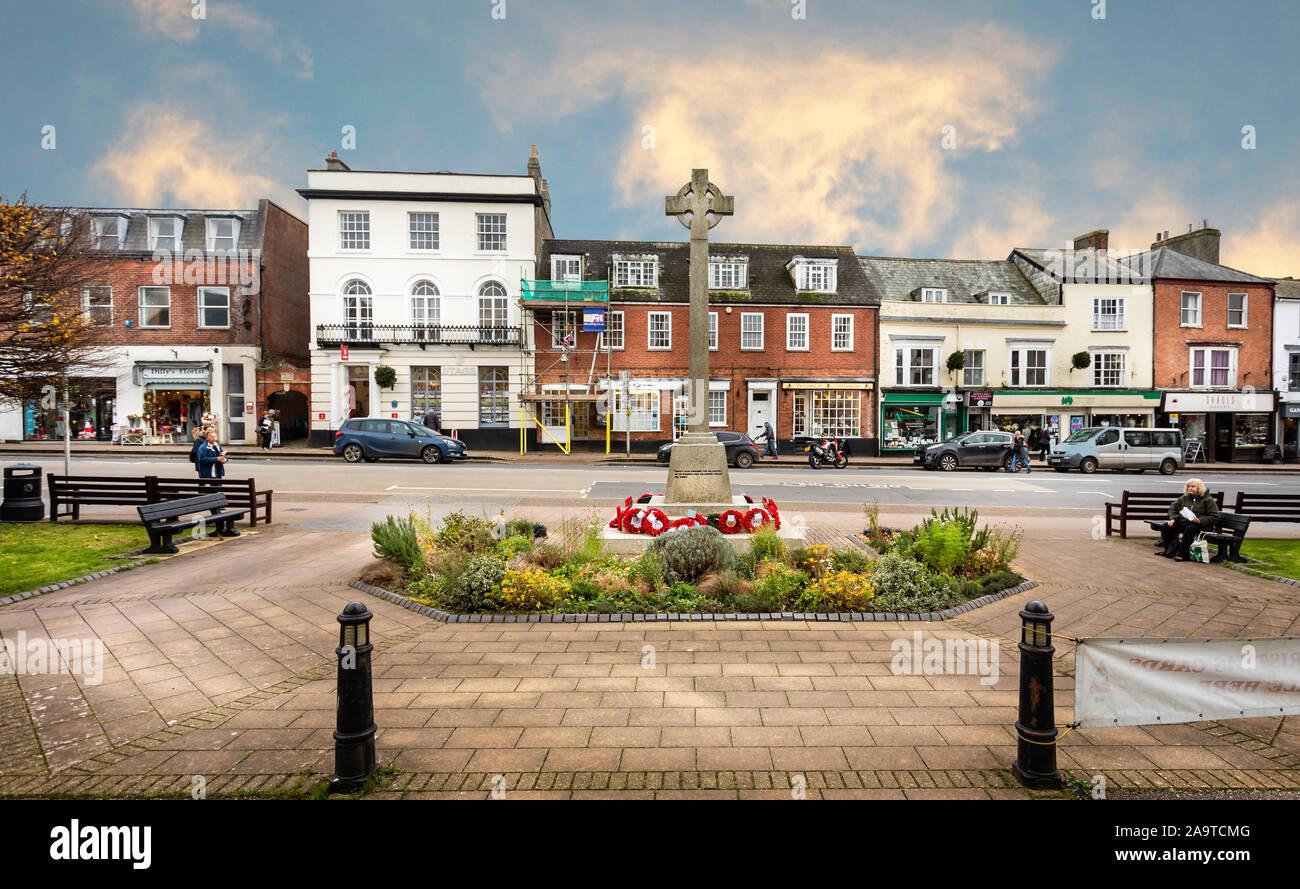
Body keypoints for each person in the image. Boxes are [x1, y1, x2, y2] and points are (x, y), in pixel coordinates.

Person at [1158, 477, 1220, 561]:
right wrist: (1173, 519)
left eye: (1193, 486)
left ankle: (1183, 555)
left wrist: (1200, 520)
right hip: (1185, 523)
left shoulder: (1208, 500)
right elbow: (1173, 509)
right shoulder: (1184, 498)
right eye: (1188, 486)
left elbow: (1215, 516)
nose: (1189, 488)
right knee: (1166, 527)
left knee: (1190, 528)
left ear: (1199, 488)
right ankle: (1170, 551)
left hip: (1201, 525)